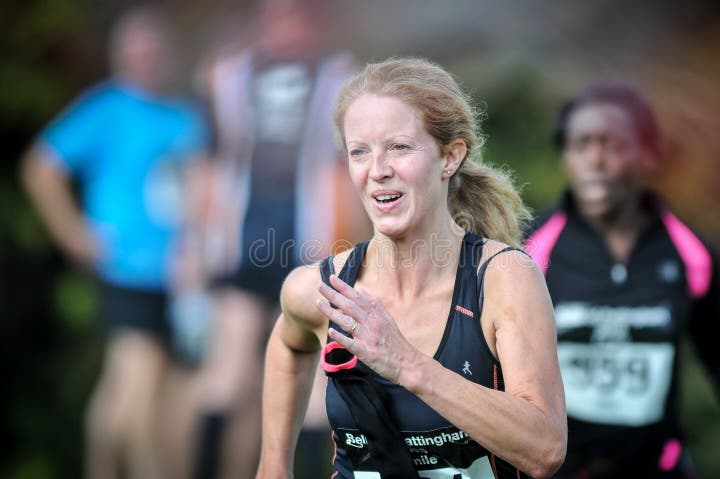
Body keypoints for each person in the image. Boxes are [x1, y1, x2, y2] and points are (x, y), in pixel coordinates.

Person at [255, 57, 568, 479]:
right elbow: (289, 345)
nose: (378, 171)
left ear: (449, 157)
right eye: (359, 152)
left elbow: (545, 449)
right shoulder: (321, 291)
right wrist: (273, 466)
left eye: (399, 147)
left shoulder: (502, 279)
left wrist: (408, 365)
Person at [523, 84, 720, 479]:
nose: (595, 159)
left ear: (650, 154)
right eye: (580, 144)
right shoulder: (530, 249)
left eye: (613, 145)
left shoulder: (690, 252)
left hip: (659, 467)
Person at [19, 6, 207, 479]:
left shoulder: (185, 116)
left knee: (130, 397)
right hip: (127, 268)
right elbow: (40, 167)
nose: (146, 56)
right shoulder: (105, 108)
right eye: (135, 47)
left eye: (154, 48)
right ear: (119, 54)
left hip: (181, 277)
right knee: (135, 393)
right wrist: (72, 232)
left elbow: (203, 191)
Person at [187, 1, 368, 478]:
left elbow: (347, 171)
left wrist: (357, 250)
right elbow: (206, 164)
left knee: (311, 384)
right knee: (228, 375)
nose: (286, 23)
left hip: (309, 245)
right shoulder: (227, 75)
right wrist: (193, 243)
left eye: (296, 13)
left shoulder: (339, 76)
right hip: (244, 245)